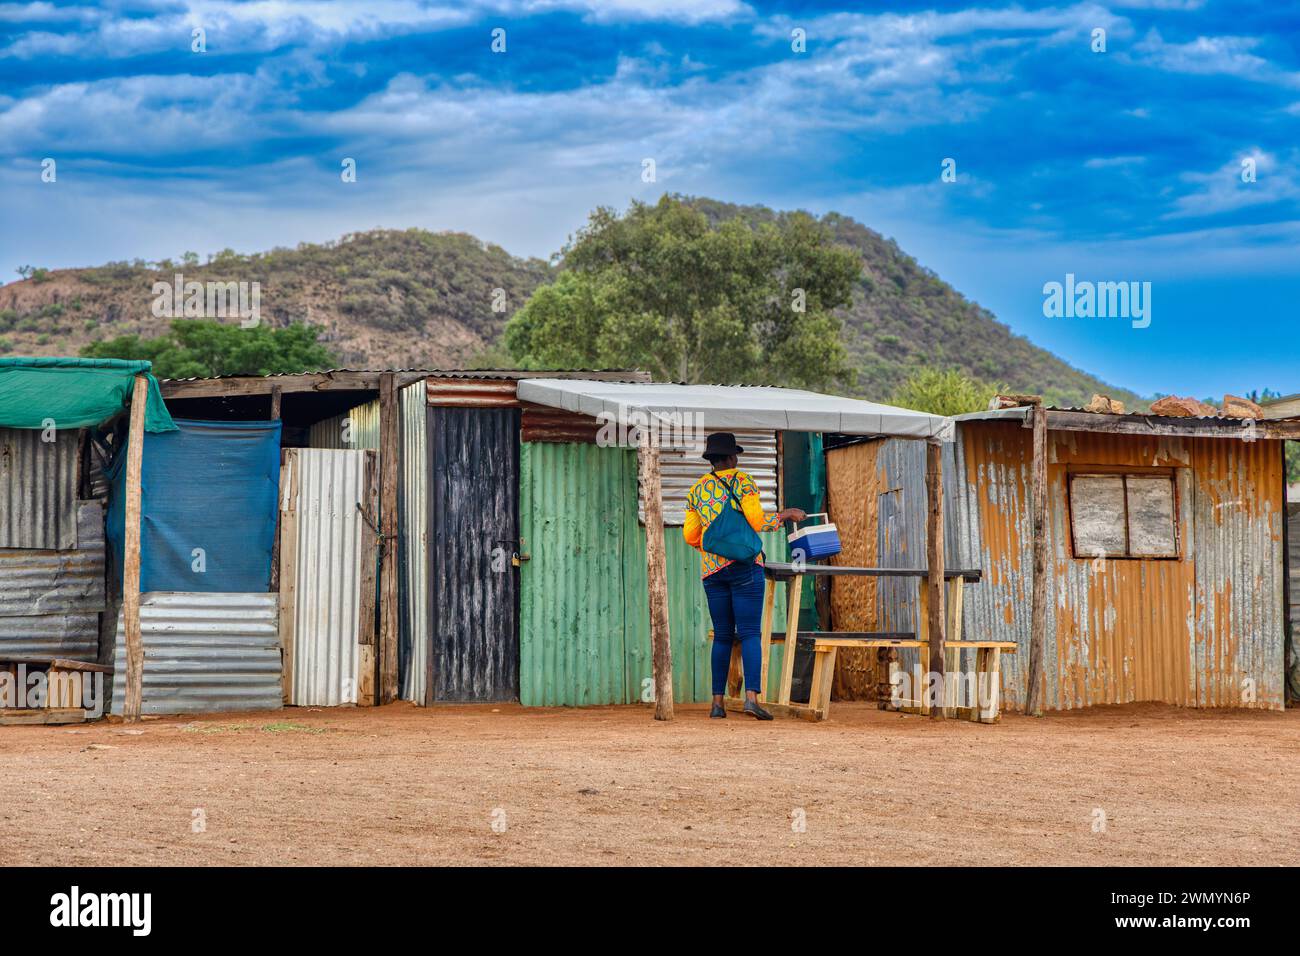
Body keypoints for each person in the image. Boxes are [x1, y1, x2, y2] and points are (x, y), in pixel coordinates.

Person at [682, 432, 805, 719]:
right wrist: (787, 514)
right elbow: (758, 522)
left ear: (711, 460)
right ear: (731, 457)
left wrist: (715, 549)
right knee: (749, 633)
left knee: (723, 636)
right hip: (745, 568)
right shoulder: (743, 481)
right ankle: (751, 699)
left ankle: (717, 704)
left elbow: (690, 535)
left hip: (712, 571)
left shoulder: (697, 490)